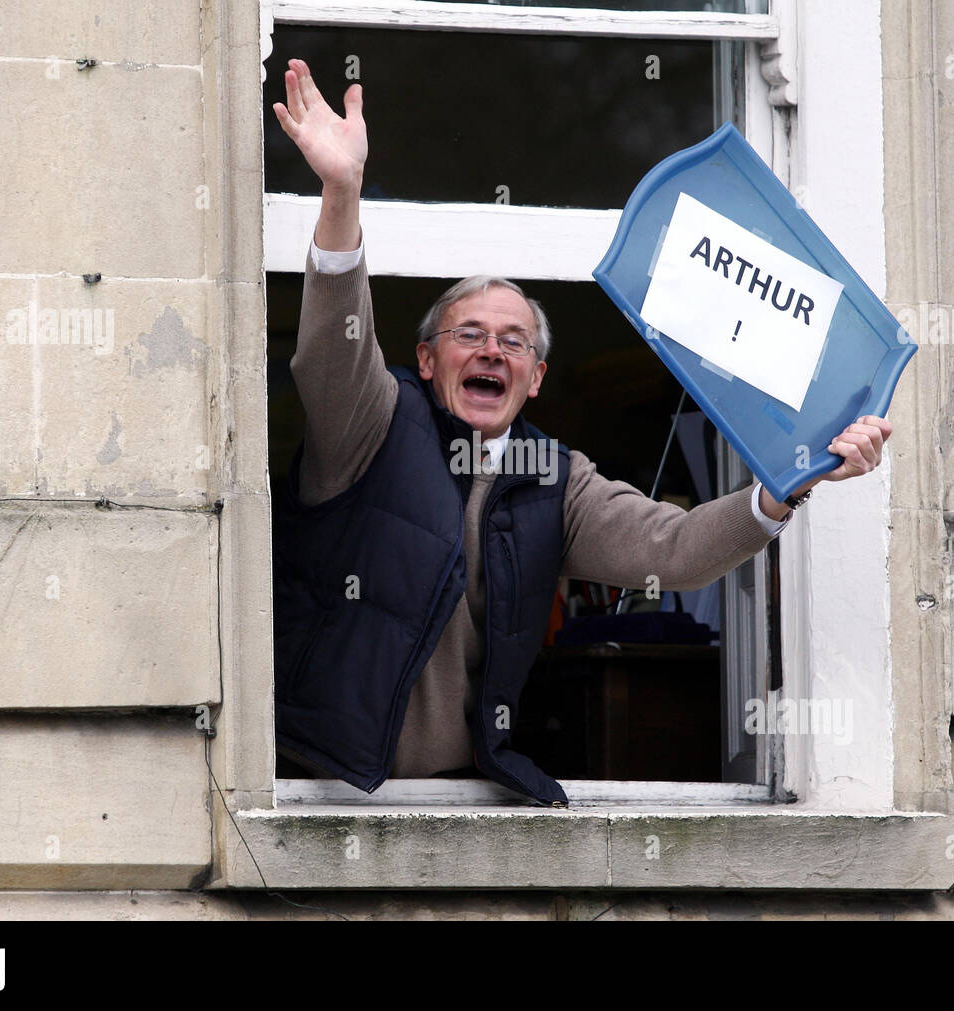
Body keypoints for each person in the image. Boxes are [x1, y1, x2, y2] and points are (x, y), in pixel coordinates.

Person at [271, 59, 893, 807]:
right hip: (313, 786)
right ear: (428, 358)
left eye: (514, 342)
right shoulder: (375, 418)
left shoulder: (554, 479)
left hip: (456, 799)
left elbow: (678, 548)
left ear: (535, 377)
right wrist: (342, 194)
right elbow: (334, 353)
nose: (492, 350)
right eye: (470, 333)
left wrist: (787, 484)